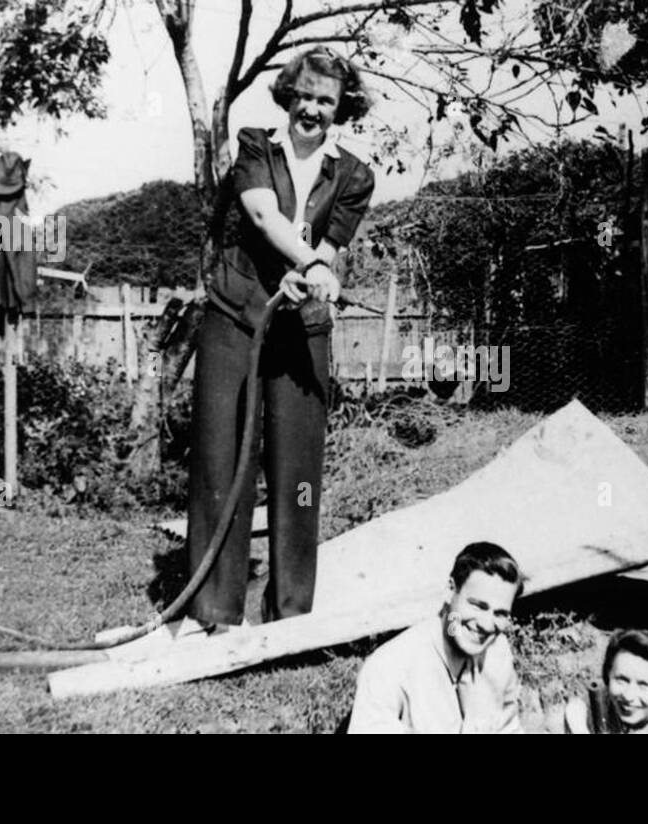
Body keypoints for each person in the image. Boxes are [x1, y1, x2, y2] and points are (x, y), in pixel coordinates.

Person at [187, 46, 375, 626]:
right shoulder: (254, 145)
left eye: (327, 100)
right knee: (222, 460)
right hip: (235, 316)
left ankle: (291, 611)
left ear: (342, 107)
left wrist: (315, 276)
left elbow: (329, 249)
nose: (313, 109)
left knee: (298, 474)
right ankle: (215, 610)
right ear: (288, 95)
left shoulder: (355, 174)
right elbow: (263, 216)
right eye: (305, 95)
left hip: (300, 332)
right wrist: (312, 268)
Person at [348, 542, 525, 734]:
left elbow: (509, 728)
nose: (486, 624)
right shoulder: (390, 667)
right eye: (477, 605)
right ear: (450, 590)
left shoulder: (497, 653)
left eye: (500, 614)